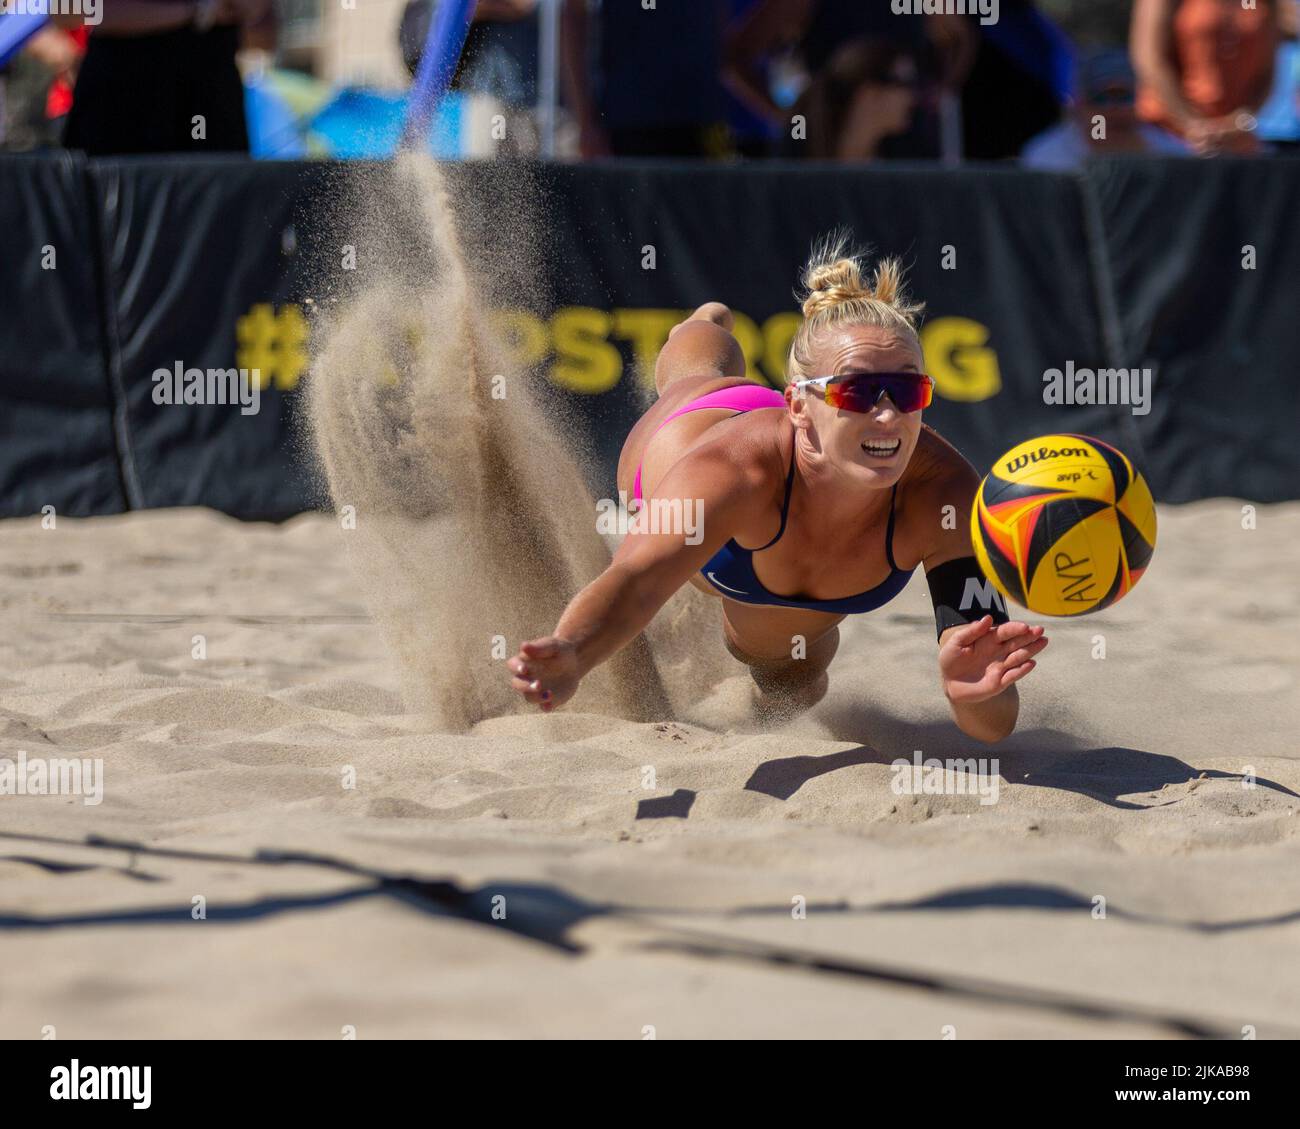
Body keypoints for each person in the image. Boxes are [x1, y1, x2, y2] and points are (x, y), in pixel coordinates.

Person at [507, 239, 1048, 744]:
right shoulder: (734, 470)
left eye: (908, 389)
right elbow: (637, 584)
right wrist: (574, 651)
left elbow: (992, 724)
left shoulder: (946, 494)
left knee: (797, 680)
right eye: (856, 391)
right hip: (690, 437)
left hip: (776, 550)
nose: (888, 414)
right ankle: (706, 324)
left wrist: (974, 695)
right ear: (797, 404)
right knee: (696, 366)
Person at [57, 0, 274, 156]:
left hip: (206, 111)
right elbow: (67, 10)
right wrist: (192, 12)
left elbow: (265, 30)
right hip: (122, 110)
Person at [1131, 0, 1279, 156]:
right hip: (1166, 136)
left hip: (1237, 142)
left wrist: (1242, 121)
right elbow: (1151, 61)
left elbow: (1267, 68)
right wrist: (1191, 124)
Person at [1021, 48, 1190, 169]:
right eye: (1101, 99)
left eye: (1124, 97)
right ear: (1080, 106)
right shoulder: (1046, 158)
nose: (1113, 109)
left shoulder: (1174, 156)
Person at [785, 36, 921, 161]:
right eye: (906, 83)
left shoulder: (904, 161)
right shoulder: (798, 159)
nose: (913, 95)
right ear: (869, 92)